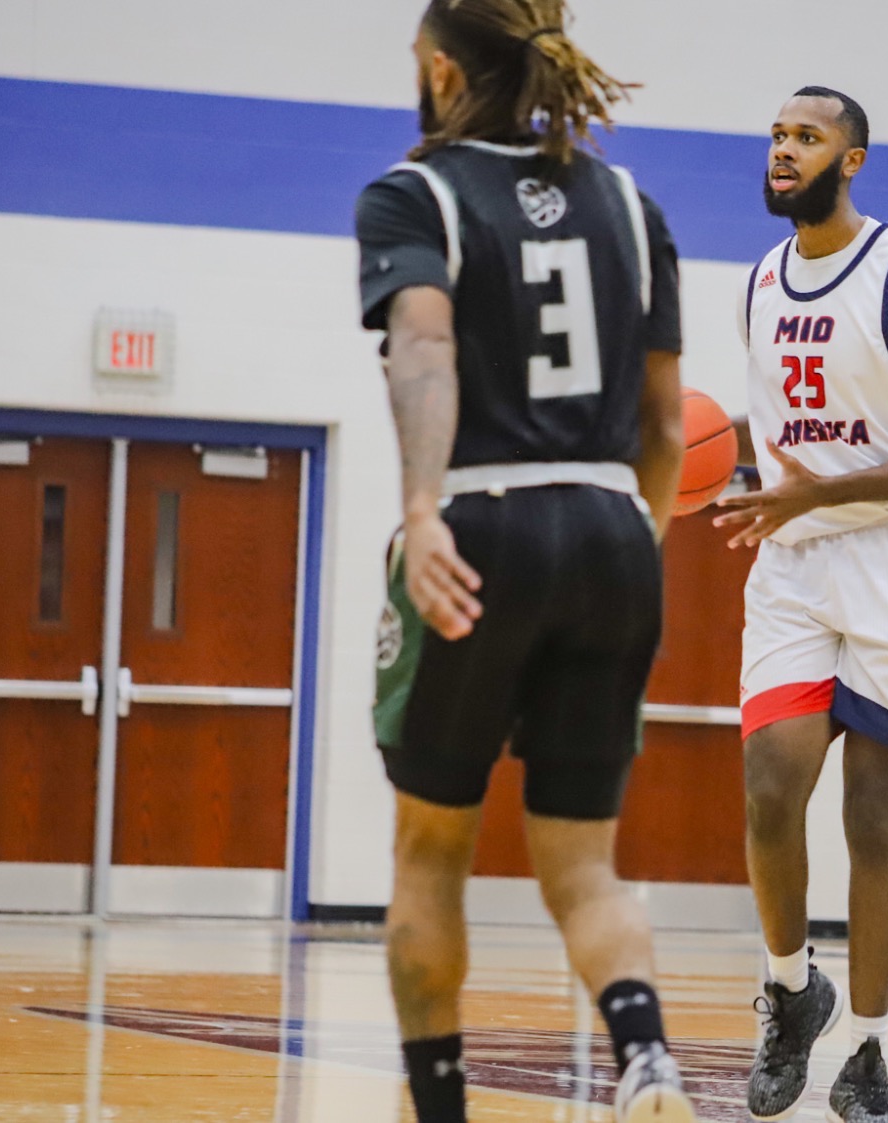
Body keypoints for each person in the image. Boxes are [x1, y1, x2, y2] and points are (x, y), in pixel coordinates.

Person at [353, 3, 691, 1120]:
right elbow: (663, 424)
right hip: (610, 528)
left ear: (444, 72)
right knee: (582, 864)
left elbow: (423, 342)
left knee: (430, 850)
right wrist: (630, 542)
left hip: (479, 524)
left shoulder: (419, 195)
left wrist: (421, 507)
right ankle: (646, 1059)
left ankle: (439, 1109)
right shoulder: (631, 209)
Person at [715, 87, 888, 1123]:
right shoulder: (755, 282)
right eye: (777, 135)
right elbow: (774, 422)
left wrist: (815, 490)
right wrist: (719, 463)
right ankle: (792, 992)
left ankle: (868, 1049)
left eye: (806, 137)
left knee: (871, 814)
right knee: (765, 785)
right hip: (792, 560)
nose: (784, 151)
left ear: (854, 160)